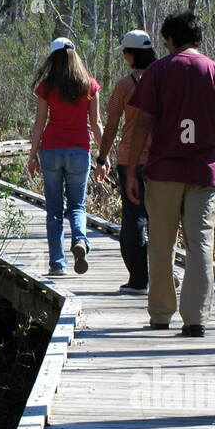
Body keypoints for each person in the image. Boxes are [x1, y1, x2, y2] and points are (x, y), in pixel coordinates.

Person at [126, 11, 215, 336]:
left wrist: (134, 170)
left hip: (163, 171)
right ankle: (195, 320)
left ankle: (161, 315)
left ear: (171, 40)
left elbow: (141, 125)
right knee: (200, 244)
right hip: (204, 174)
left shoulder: (158, 71)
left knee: (161, 244)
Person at [28, 37, 103, 277]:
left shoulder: (47, 87)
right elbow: (97, 123)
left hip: (51, 151)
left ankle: (57, 264)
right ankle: (80, 240)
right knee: (77, 206)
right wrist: (104, 155)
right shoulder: (89, 86)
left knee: (54, 210)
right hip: (80, 152)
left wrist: (32, 156)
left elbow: (39, 124)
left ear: (53, 59)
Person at [92, 30, 156, 294]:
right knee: (161, 218)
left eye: (126, 53)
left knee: (134, 219)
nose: (125, 57)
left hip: (130, 159)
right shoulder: (164, 80)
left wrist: (102, 157)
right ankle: (162, 275)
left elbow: (111, 125)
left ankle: (139, 280)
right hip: (161, 160)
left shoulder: (124, 86)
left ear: (132, 55)